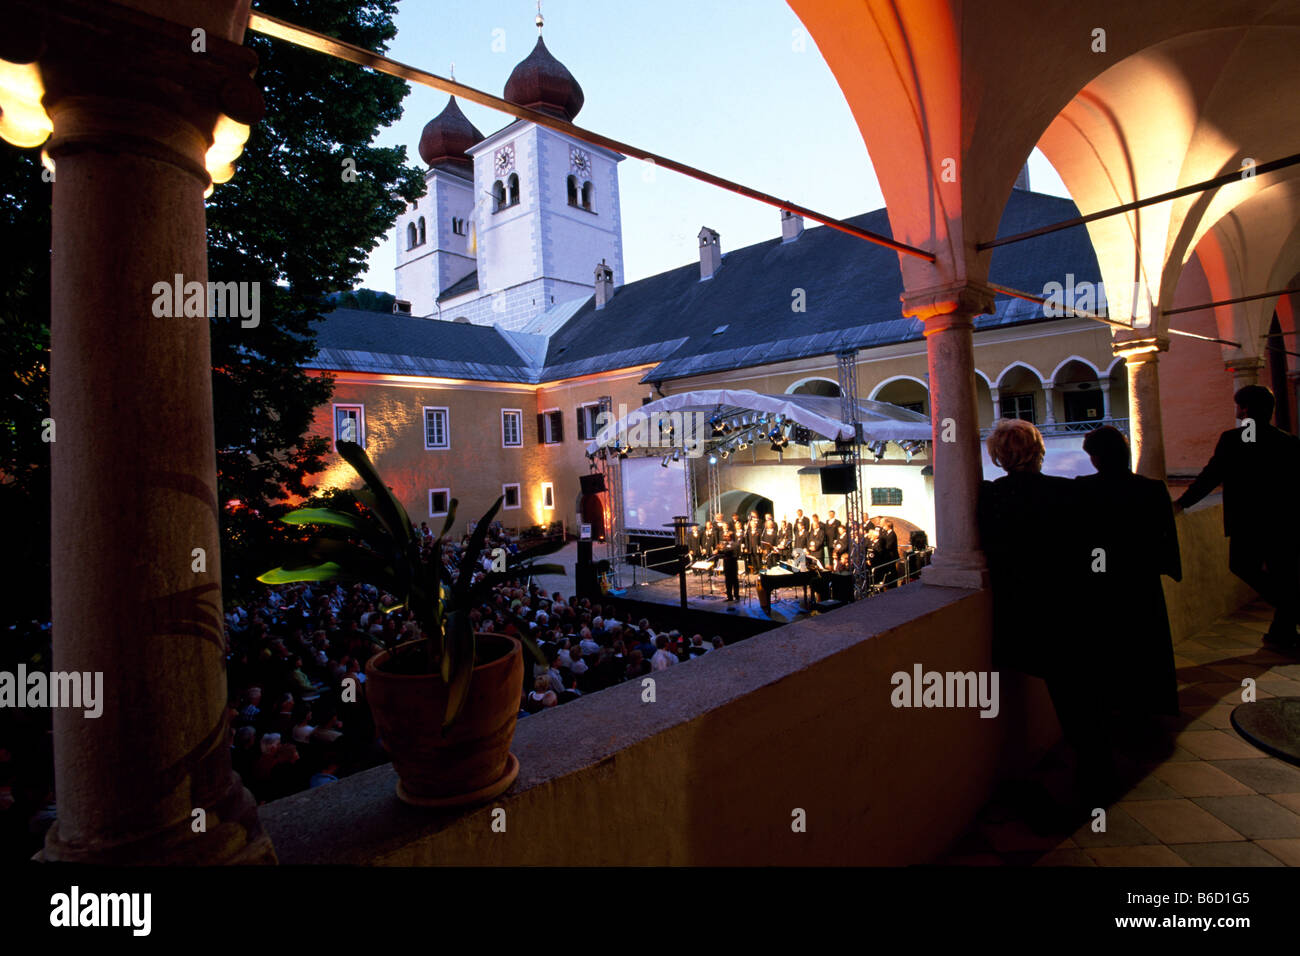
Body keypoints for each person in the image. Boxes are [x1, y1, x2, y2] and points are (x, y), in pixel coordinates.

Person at [978, 419, 1103, 797]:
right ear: (1039, 451)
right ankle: (1095, 770)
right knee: (1078, 695)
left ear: (999, 457)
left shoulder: (992, 496)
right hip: (1069, 604)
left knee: (1042, 696)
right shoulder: (1068, 492)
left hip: (1022, 607)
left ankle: (1078, 774)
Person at [1174, 384, 1300, 648]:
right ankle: (1283, 633)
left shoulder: (1233, 440)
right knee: (1280, 573)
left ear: (1244, 409)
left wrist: (1183, 503)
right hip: (1283, 523)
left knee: (1243, 566)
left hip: (1248, 522)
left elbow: (1210, 477)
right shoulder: (1288, 441)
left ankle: (1291, 613)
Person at [1075, 425, 1181, 715]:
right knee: (1148, 645)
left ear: (1097, 457)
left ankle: (1119, 707)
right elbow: (1165, 538)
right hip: (1142, 580)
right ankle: (1155, 705)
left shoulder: (1083, 488)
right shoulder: (1153, 489)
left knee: (1113, 648)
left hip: (1103, 582)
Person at [720, 531, 741, 602]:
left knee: (734, 581)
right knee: (727, 581)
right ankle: (729, 596)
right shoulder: (724, 544)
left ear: (730, 537)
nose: (725, 537)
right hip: (726, 564)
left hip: (733, 564)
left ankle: (736, 596)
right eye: (724, 536)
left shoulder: (736, 544)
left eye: (726, 536)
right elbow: (721, 552)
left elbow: (731, 551)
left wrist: (723, 549)